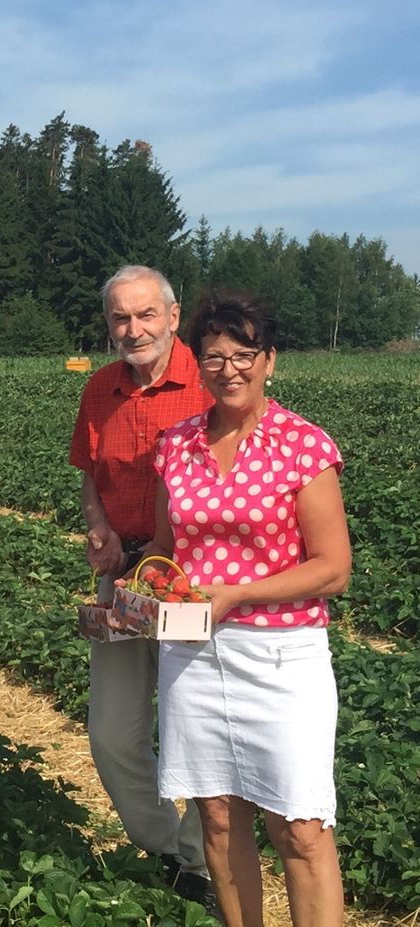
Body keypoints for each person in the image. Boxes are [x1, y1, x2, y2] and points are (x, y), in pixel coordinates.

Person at [144, 291, 349, 926]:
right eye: (213, 357)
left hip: (282, 658)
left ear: (270, 362)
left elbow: (332, 569)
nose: (229, 368)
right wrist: (141, 583)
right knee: (219, 817)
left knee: (302, 827)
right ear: (197, 364)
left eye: (244, 355)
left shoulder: (302, 446)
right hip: (193, 658)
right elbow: (162, 547)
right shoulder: (175, 445)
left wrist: (238, 595)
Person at [68, 265, 214, 902]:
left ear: (173, 317)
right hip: (121, 576)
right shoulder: (100, 388)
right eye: (121, 319)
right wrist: (97, 525)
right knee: (111, 732)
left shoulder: (210, 383)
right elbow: (90, 473)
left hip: (193, 582)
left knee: (200, 729)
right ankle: (164, 844)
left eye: (146, 315)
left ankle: (203, 862)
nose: (134, 329)